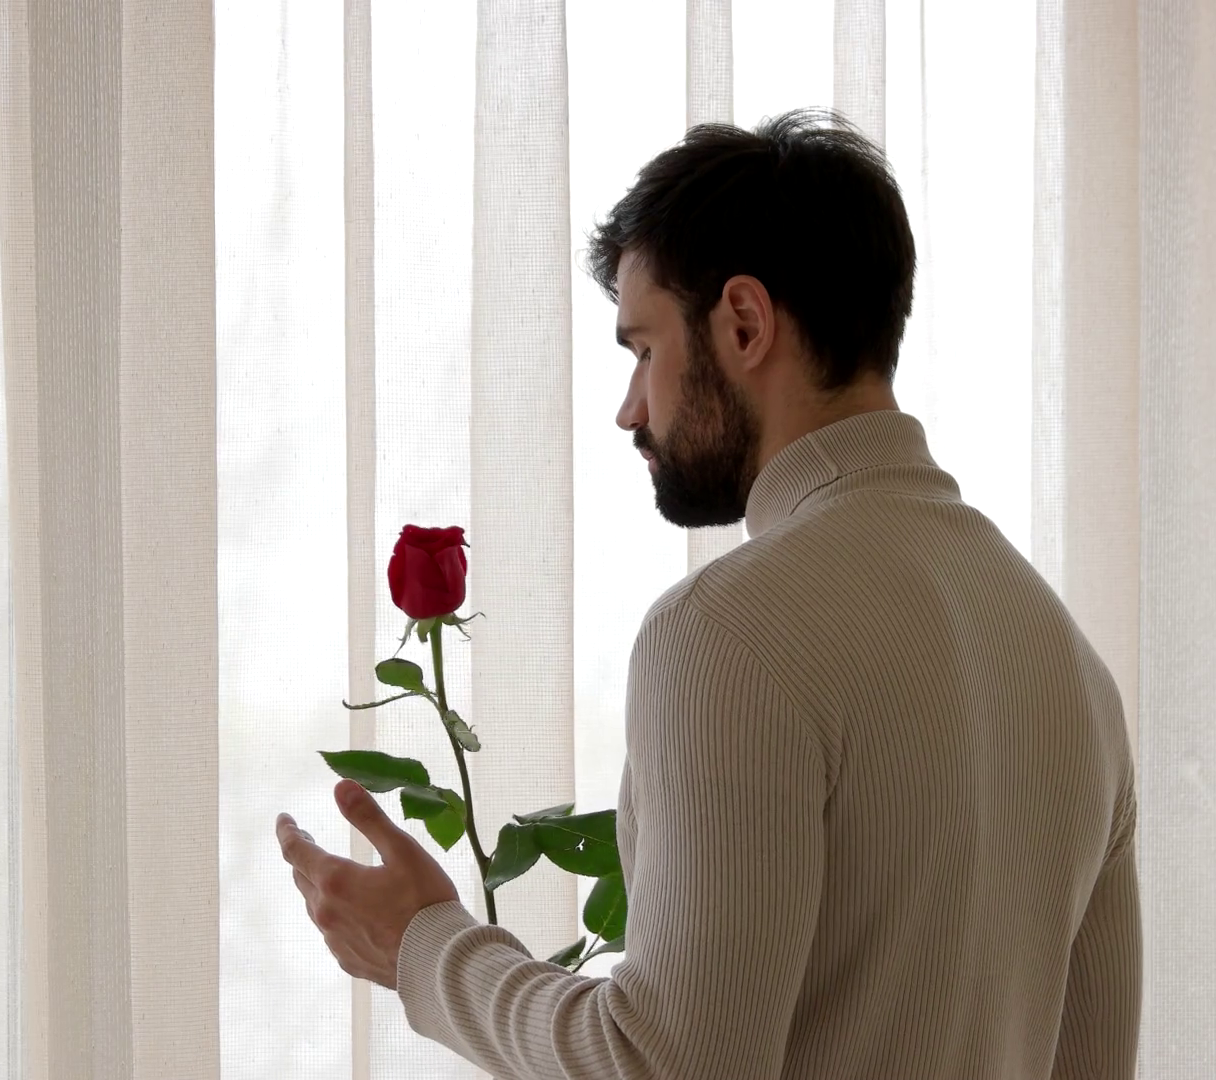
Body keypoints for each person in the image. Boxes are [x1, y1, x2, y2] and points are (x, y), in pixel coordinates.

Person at [276, 109, 1140, 1078]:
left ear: (743, 322)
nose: (630, 410)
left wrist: (426, 949)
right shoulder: (1065, 657)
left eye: (643, 349)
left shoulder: (729, 631)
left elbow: (667, 1065)